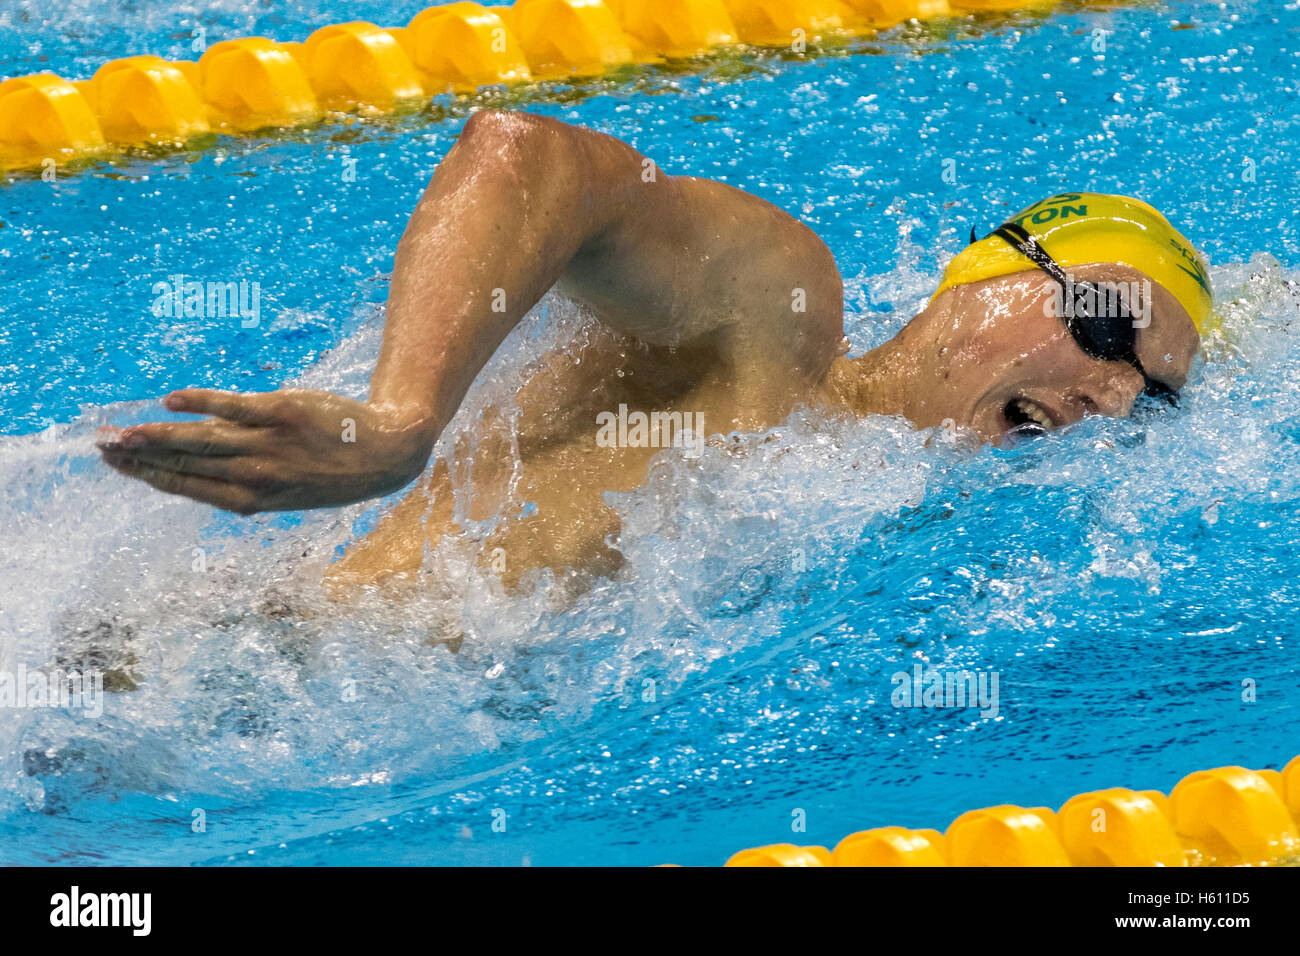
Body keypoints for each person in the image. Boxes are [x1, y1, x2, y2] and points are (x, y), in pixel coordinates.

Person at [97, 110, 1214, 591]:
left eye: (1150, 394)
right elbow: (529, 155)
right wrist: (401, 420)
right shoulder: (780, 323)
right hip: (213, 696)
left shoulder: (873, 497)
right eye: (1106, 327)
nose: (1113, 393)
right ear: (983, 272)